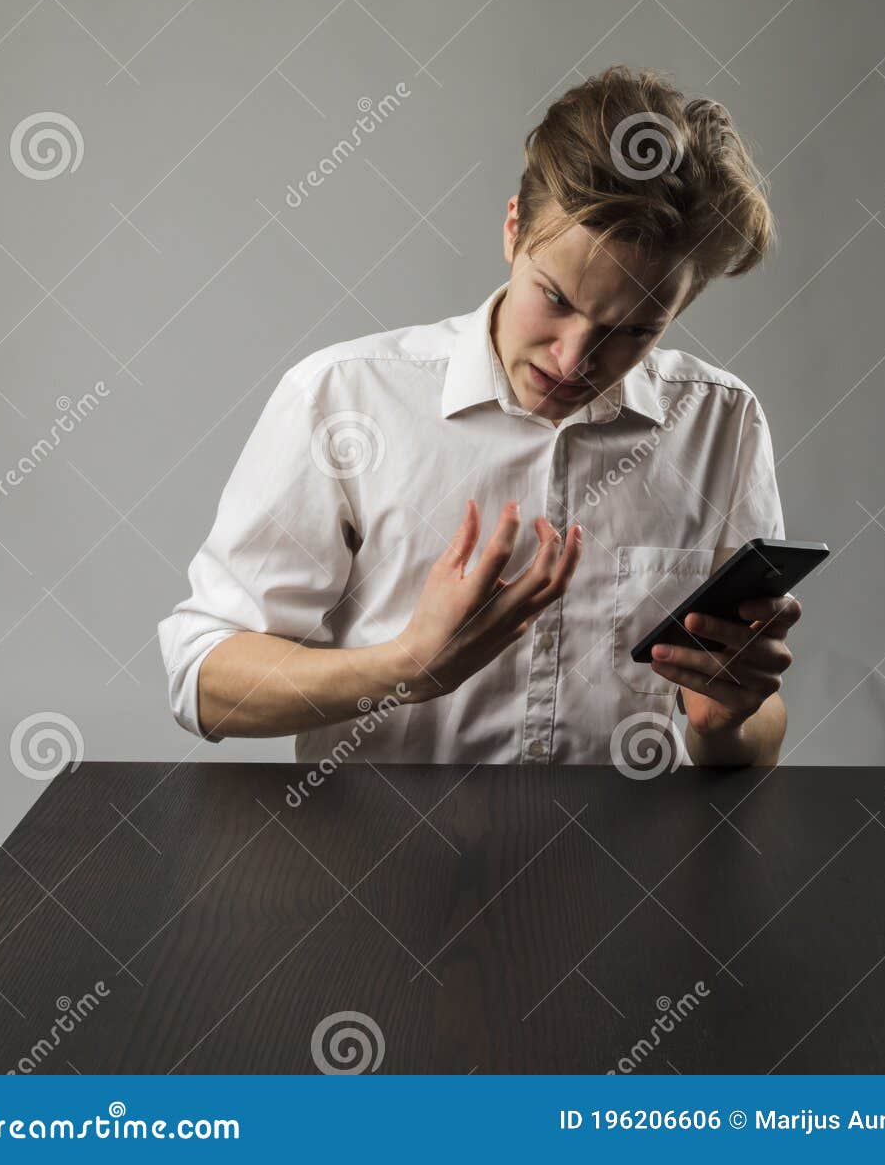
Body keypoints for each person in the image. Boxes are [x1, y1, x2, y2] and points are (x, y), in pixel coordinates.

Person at [157, 65, 801, 772]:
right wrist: (404, 667)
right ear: (512, 229)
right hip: (378, 865)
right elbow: (201, 678)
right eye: (554, 297)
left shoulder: (722, 422)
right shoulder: (343, 398)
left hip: (629, 868)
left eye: (633, 330)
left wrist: (721, 727)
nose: (574, 357)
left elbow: (754, 728)